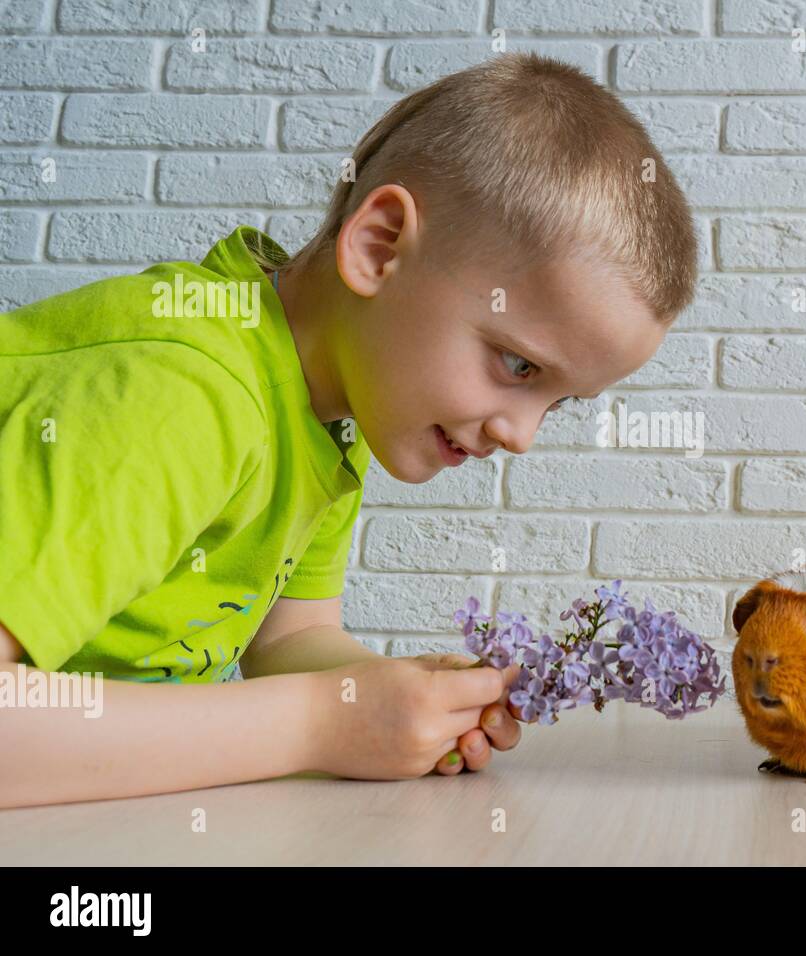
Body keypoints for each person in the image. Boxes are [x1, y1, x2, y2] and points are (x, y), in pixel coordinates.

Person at [0, 52, 698, 808]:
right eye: (519, 366)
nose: (522, 436)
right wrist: (316, 726)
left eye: (560, 402)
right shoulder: (183, 397)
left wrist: (397, 700)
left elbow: (287, 640)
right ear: (380, 247)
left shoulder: (328, 413)